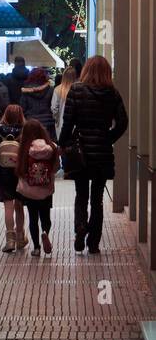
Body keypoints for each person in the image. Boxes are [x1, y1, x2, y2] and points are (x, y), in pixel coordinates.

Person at [59, 55, 128, 254]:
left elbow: (68, 121)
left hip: (80, 152)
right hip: (102, 152)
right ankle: (94, 243)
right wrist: (108, 138)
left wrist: (63, 144)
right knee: (97, 199)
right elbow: (123, 122)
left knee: (81, 195)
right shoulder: (112, 93)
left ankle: (80, 227)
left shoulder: (76, 90)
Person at [15, 118, 59, 257]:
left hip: (29, 191)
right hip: (46, 190)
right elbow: (56, 168)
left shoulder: (24, 148)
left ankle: (36, 248)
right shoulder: (52, 147)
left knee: (33, 218)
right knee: (45, 216)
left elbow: (20, 170)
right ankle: (45, 232)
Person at [0, 104, 27, 252]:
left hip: (3, 174)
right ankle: (20, 237)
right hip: (20, 173)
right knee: (19, 206)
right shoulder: (25, 133)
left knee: (8, 206)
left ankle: (9, 240)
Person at [18, 66, 55, 134]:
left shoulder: (26, 91)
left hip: (31, 122)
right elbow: (53, 106)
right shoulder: (50, 90)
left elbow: (22, 108)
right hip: (48, 123)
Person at [50, 66, 76, 140]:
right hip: (74, 126)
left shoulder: (57, 89)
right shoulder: (77, 90)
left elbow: (54, 108)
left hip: (60, 125)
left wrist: (56, 119)